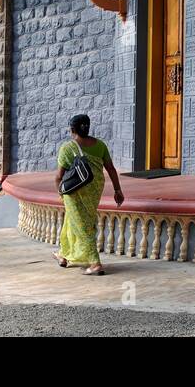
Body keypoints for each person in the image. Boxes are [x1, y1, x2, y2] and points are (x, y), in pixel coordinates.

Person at [52, 114, 124, 276]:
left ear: (72, 130)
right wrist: (117, 190)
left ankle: (95, 262)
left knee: (82, 225)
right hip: (95, 188)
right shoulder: (100, 145)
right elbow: (111, 169)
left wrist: (61, 193)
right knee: (74, 219)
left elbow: (58, 176)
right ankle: (63, 254)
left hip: (75, 190)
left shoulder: (67, 148)